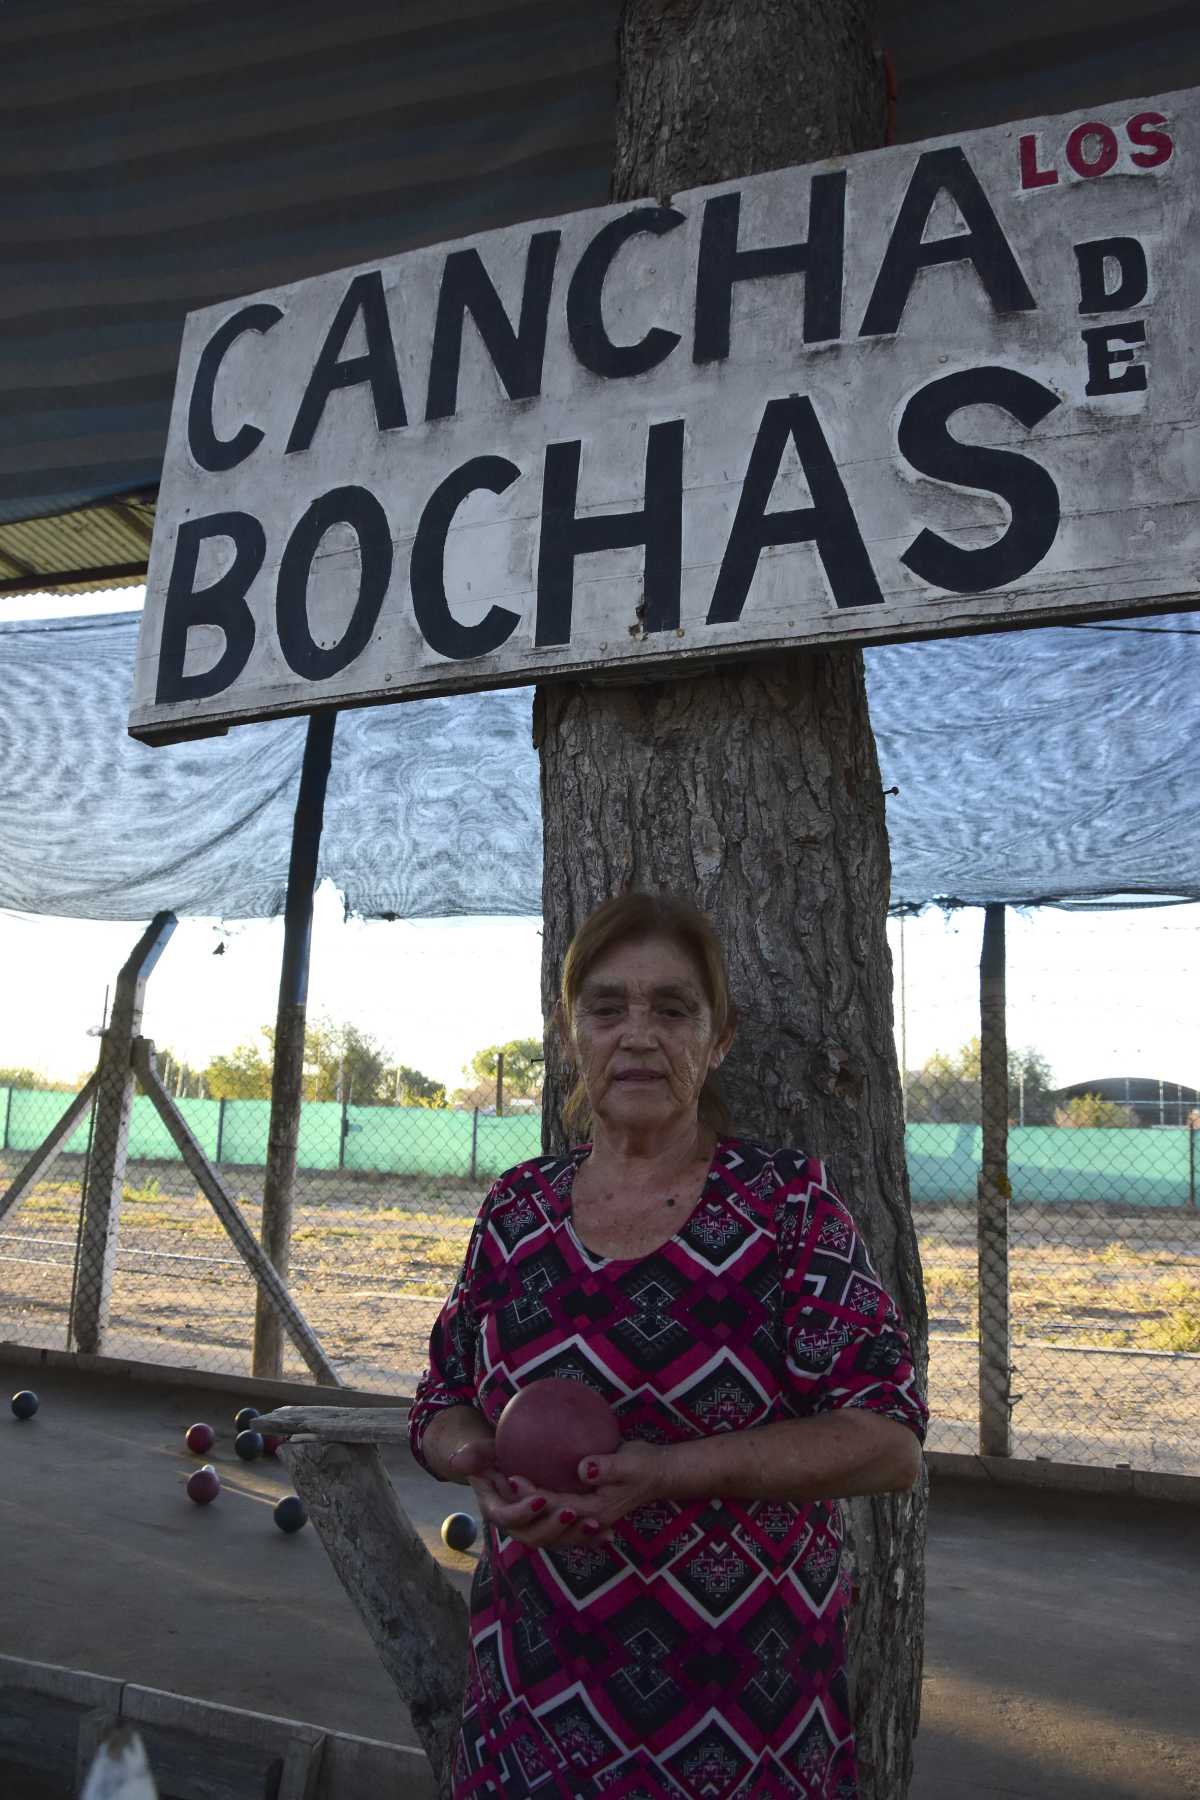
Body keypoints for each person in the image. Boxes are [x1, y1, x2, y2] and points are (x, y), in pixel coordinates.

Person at [409, 892, 928, 1799]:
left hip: (738, 1728)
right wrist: (478, 1457)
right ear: (571, 1033)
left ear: (717, 1039)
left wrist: (668, 1472)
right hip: (529, 1717)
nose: (637, 1035)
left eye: (672, 1009)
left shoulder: (787, 1208)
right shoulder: (518, 1209)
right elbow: (438, 1400)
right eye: (606, 1008)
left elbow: (887, 1442)